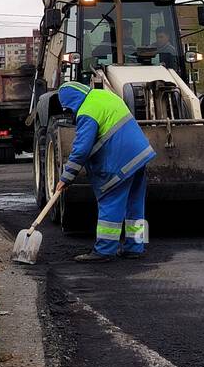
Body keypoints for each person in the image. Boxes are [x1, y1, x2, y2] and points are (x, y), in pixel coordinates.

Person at [56, 80, 156, 262]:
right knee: (135, 204)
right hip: (140, 154)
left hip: (120, 160)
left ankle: (104, 250)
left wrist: (66, 177)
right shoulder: (105, 95)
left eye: (68, 109)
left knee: (110, 201)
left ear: (70, 102)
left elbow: (81, 149)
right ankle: (136, 246)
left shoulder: (87, 111)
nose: (70, 113)